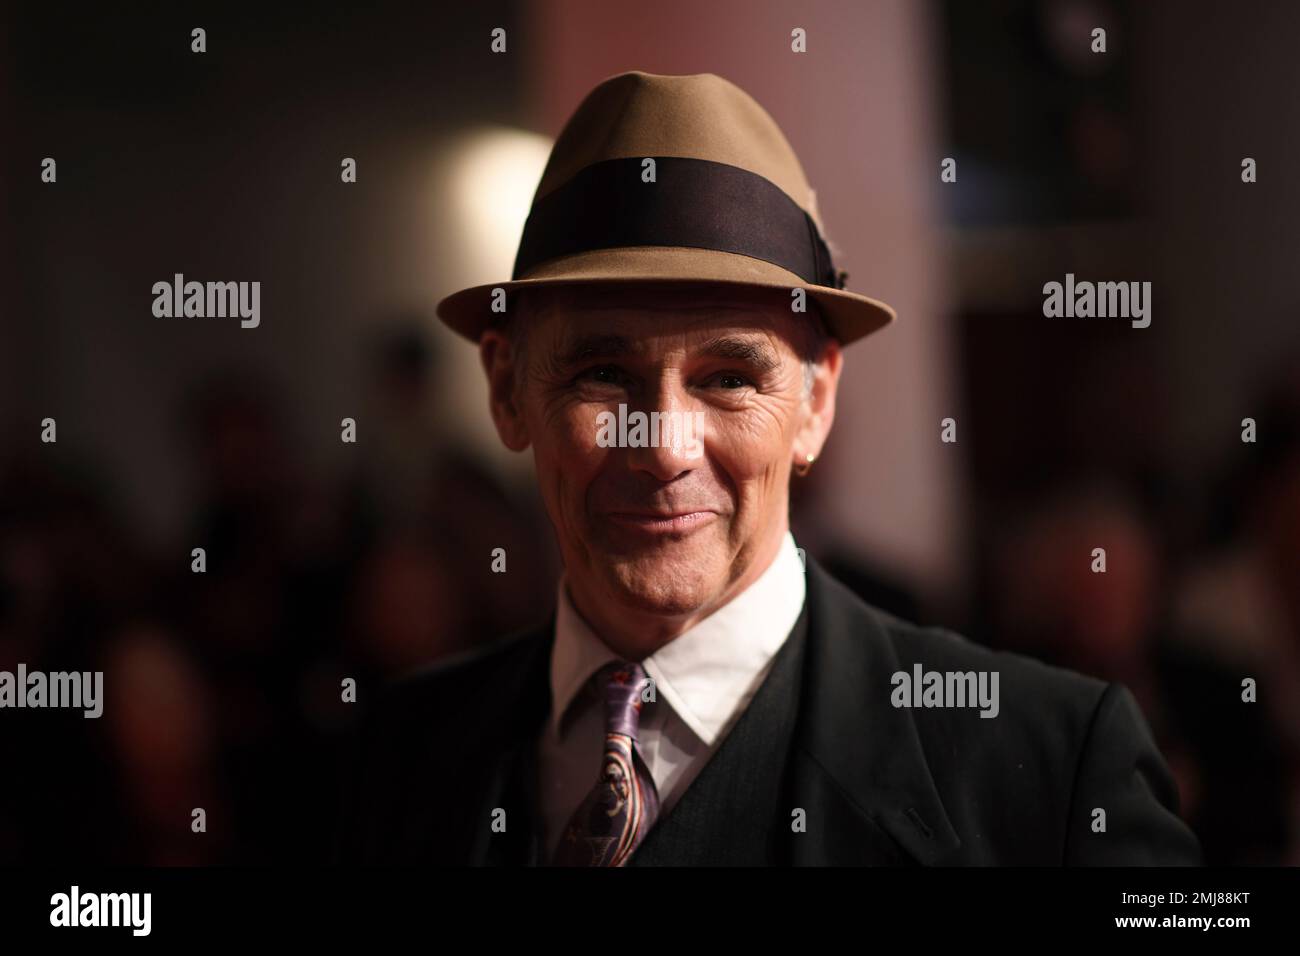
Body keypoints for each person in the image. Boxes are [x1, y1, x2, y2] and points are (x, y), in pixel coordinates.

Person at [335, 71, 1202, 866]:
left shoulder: (1049, 769)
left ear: (816, 402)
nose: (665, 447)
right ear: (505, 389)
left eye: (727, 379)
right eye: (603, 375)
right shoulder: (384, 762)